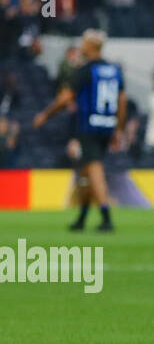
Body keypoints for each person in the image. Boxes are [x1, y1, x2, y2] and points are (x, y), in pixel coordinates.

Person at [32, 29, 125, 232]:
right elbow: (122, 100)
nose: (81, 45)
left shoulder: (85, 71)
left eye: (84, 42)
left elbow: (65, 98)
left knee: (93, 168)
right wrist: (119, 128)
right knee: (84, 172)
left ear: (91, 46)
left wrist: (45, 115)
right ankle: (82, 217)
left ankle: (106, 216)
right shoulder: (114, 70)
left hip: (89, 125)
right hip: (107, 125)